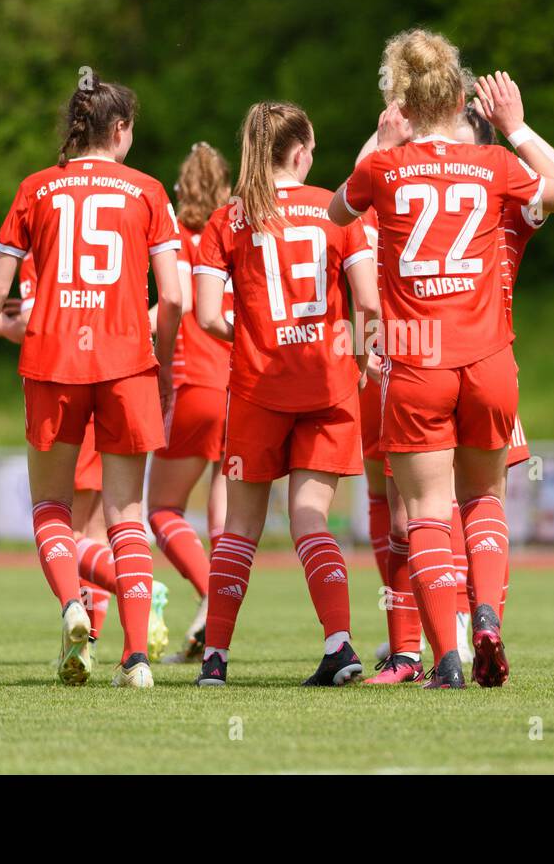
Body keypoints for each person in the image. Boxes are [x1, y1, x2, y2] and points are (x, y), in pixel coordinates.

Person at [330, 30, 554, 689]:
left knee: (428, 511)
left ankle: (446, 659)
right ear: (462, 97)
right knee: (485, 496)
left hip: (417, 363)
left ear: (403, 100)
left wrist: (382, 142)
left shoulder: (383, 168)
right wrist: (516, 126)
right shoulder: (495, 167)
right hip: (490, 359)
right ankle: (487, 615)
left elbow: (335, 212)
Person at [0, 77, 182, 689]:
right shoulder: (149, 191)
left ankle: (74, 605)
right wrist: (164, 367)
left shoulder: (36, 188)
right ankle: (135, 660)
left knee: (51, 509)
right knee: (127, 512)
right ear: (121, 130)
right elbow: (176, 296)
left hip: (52, 363)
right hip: (127, 362)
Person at [192, 101, 379, 688]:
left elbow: (204, 314)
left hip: (257, 386)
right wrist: (365, 351)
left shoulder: (228, 220)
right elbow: (370, 303)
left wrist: (252, 332)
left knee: (241, 529)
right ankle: (340, 643)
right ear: (301, 152)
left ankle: (215, 658)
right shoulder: (338, 210)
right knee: (309, 518)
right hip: (327, 383)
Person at [0, 251, 172, 662]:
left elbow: (38, 324)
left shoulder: (43, 246)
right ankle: (88, 648)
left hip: (68, 386)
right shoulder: (120, 232)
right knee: (98, 529)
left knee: (65, 528)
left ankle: (131, 590)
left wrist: (1, 327)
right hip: (118, 379)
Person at [146, 143, 234, 664]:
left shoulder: (177, 236)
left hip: (193, 383)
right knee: (225, 520)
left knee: (162, 509)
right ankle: (214, 630)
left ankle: (210, 597)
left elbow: (171, 301)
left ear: (181, 189)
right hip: (241, 383)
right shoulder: (236, 228)